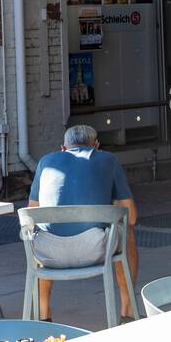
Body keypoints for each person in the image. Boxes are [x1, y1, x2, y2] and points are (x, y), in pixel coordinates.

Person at [27, 125, 137, 322]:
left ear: (63, 148)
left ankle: (43, 314)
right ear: (96, 146)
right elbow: (133, 216)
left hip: (47, 254)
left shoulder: (45, 161)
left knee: (39, 233)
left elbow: (31, 213)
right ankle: (127, 312)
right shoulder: (108, 159)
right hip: (94, 250)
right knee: (127, 229)